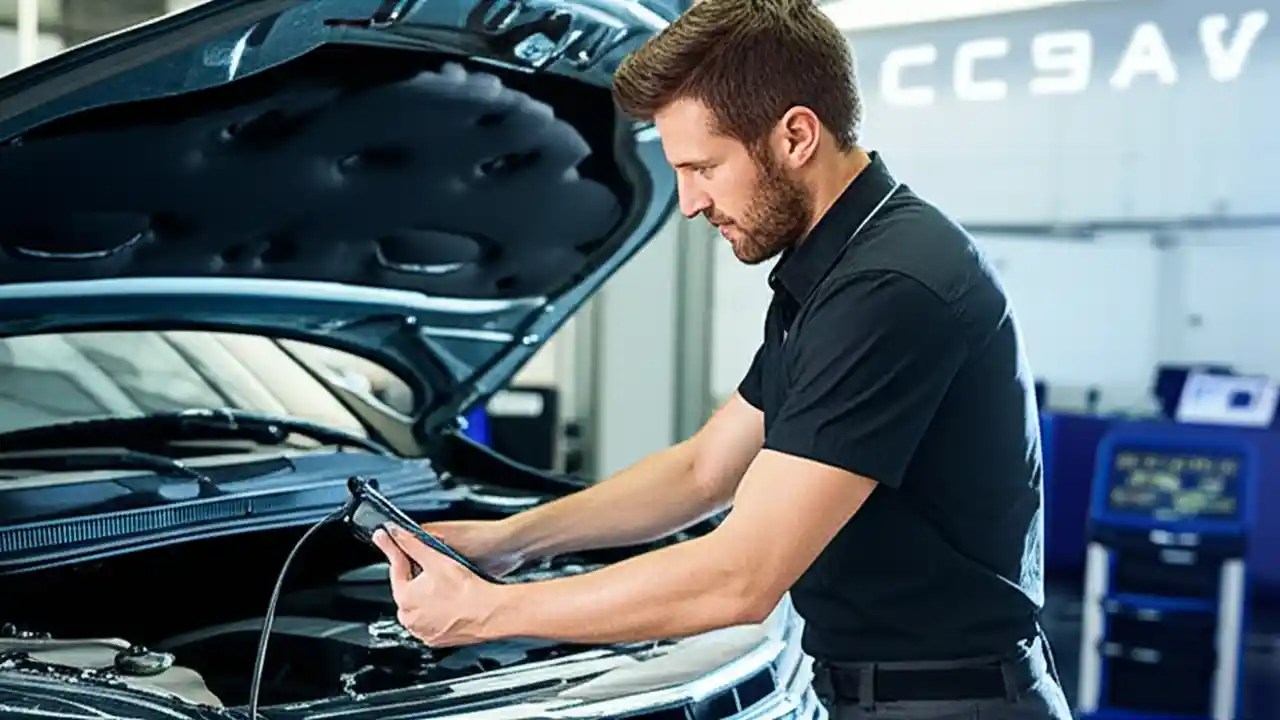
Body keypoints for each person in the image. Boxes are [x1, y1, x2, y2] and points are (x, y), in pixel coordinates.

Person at [370, 0, 1072, 717]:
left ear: (796, 135)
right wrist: (511, 542)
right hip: (883, 693)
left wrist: (488, 614)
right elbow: (705, 468)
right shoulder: (831, 270)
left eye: (703, 167)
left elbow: (740, 578)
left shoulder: (890, 287)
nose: (687, 203)